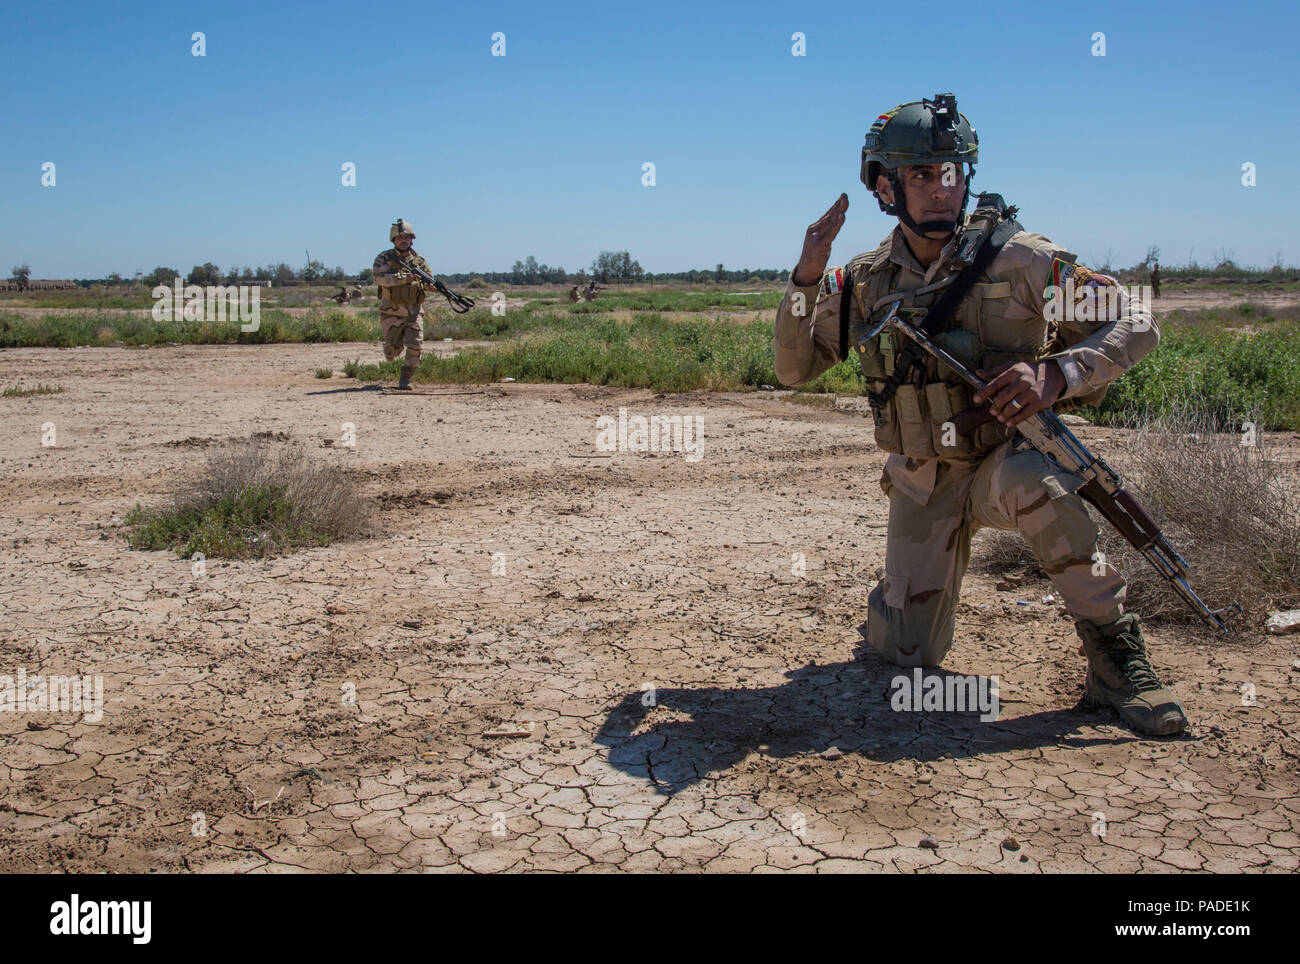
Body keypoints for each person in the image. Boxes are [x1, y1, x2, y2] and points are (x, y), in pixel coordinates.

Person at [773, 93, 1185, 736]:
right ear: (884, 186)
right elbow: (795, 369)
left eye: (952, 171)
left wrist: (1057, 373)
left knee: (1041, 486)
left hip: (1002, 460)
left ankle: (1116, 660)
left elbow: (1137, 322)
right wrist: (805, 279)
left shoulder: (1022, 260)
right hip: (923, 478)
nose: (941, 188)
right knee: (905, 658)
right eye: (920, 175)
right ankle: (893, 610)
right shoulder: (864, 281)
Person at [372, 219, 432, 390]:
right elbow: (379, 278)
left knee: (415, 345)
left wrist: (432, 287)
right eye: (399, 238)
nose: (403, 240)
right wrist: (404, 277)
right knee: (392, 351)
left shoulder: (419, 261)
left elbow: (428, 279)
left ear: (412, 239)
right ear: (394, 240)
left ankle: (406, 379)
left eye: (406, 237)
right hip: (392, 311)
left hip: (414, 311)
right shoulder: (384, 258)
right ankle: (391, 348)